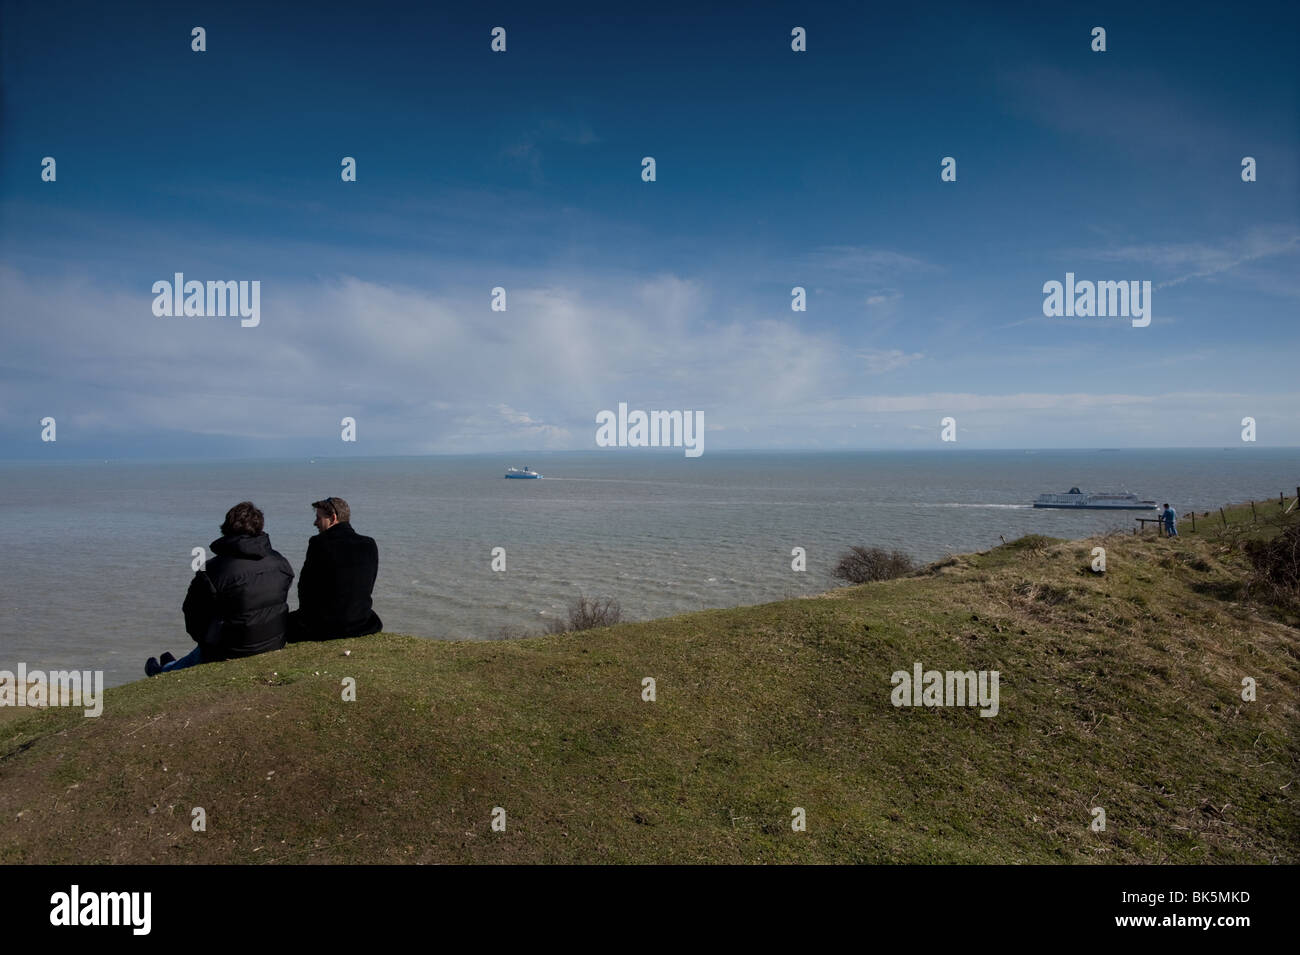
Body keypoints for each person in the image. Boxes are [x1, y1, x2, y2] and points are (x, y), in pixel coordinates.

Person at [147, 501, 294, 676]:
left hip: (233, 649)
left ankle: (164, 671)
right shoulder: (280, 562)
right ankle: (171, 665)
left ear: (226, 528)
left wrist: (208, 640)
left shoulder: (211, 570)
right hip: (273, 642)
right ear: (259, 528)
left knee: (210, 642)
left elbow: (192, 616)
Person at [287, 496, 383, 642]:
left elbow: (305, 589)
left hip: (327, 627)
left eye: (319, 518)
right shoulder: (369, 544)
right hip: (361, 622)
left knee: (281, 622)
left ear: (332, 518)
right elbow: (368, 585)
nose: (315, 523)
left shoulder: (319, 544)